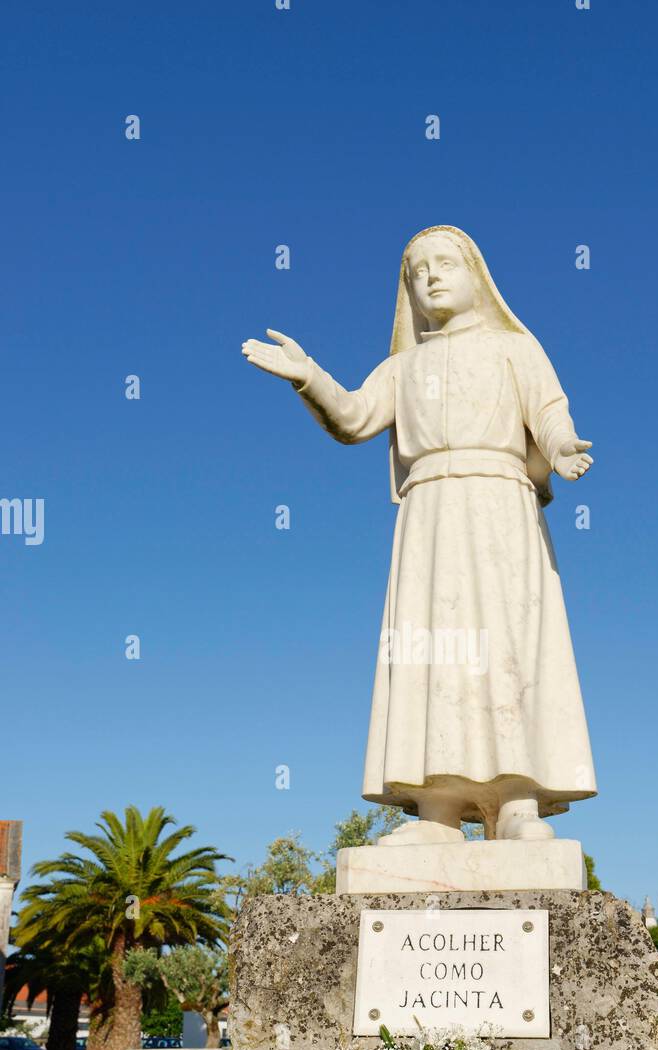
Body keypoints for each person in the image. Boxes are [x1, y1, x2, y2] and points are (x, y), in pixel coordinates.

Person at [242, 225, 597, 844]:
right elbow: (353, 418)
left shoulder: (515, 348)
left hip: (498, 503)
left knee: (507, 644)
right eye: (417, 271)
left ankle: (516, 804)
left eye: (445, 264)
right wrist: (309, 377)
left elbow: (548, 411)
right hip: (429, 512)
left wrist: (562, 447)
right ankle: (437, 811)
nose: (430, 276)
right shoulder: (404, 366)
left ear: (476, 276)